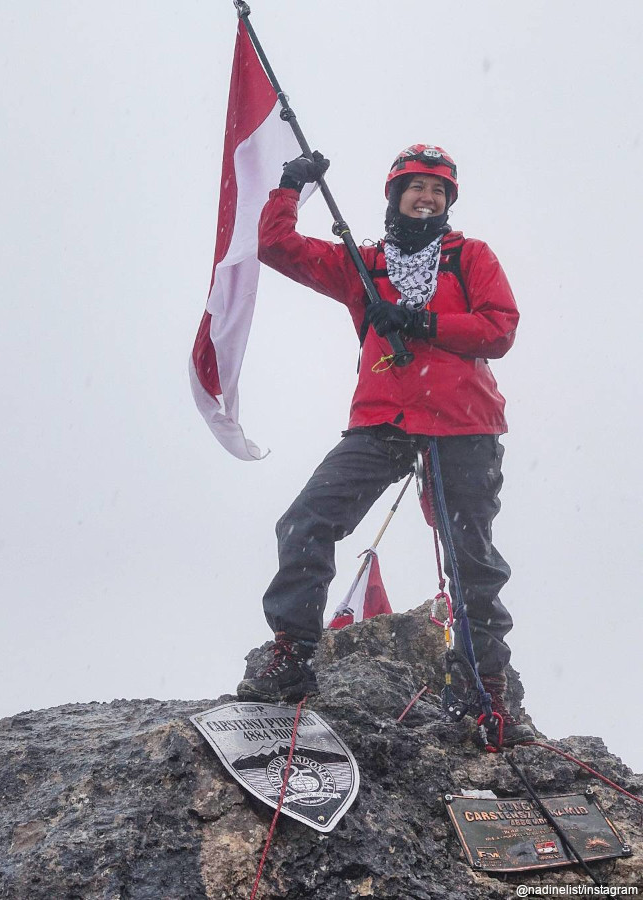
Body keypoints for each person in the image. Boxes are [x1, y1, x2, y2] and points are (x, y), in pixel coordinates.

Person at [236, 144, 534, 745]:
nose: (427, 197)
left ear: (449, 202)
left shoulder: (470, 256)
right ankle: (291, 654)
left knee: (470, 561)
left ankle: (483, 690)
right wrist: (291, 188)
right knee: (306, 521)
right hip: (385, 417)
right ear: (394, 196)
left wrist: (422, 322)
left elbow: (499, 328)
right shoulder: (362, 263)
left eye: (438, 190)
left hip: (463, 422)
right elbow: (276, 247)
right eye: (415, 187)